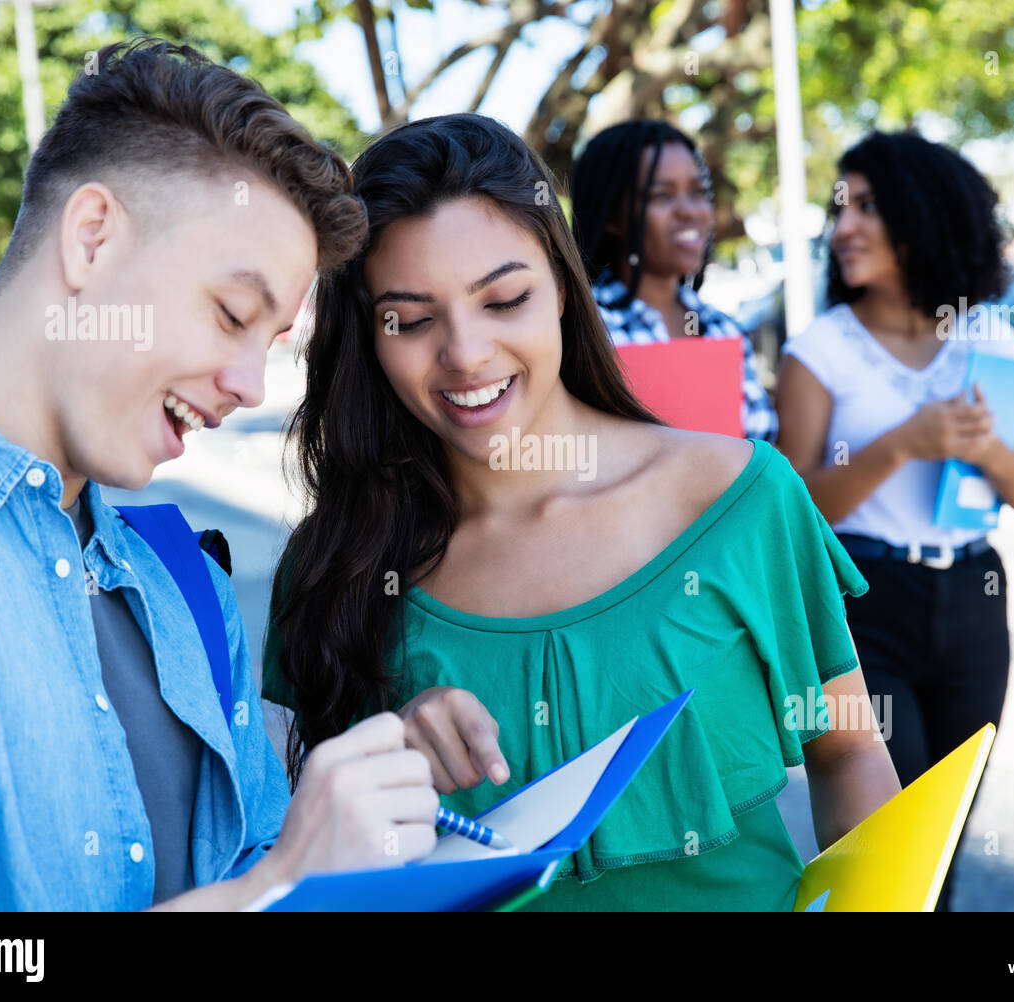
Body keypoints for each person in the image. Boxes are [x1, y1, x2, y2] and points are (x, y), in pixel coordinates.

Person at [262, 112, 900, 911]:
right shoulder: (339, 565)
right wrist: (383, 757)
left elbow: (846, 753)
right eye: (414, 319)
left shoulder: (743, 496)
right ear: (369, 333)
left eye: (504, 300)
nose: (465, 354)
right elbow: (309, 866)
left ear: (562, 286)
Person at [0, 38, 440, 912]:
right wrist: (274, 884)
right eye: (232, 314)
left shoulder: (183, 579)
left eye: (269, 343)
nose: (251, 385)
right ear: (92, 238)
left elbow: (261, 863)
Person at [775, 130, 1014, 910]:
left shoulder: (989, 337)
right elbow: (789, 510)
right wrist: (903, 443)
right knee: (888, 832)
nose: (844, 228)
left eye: (867, 207)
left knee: (950, 828)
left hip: (972, 596)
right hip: (864, 603)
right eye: (840, 209)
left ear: (923, 215)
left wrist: (988, 452)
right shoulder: (819, 351)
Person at [569, 119, 778, 441]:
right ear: (612, 215)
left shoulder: (723, 329)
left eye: (699, 192)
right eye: (662, 195)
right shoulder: (582, 328)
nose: (690, 211)